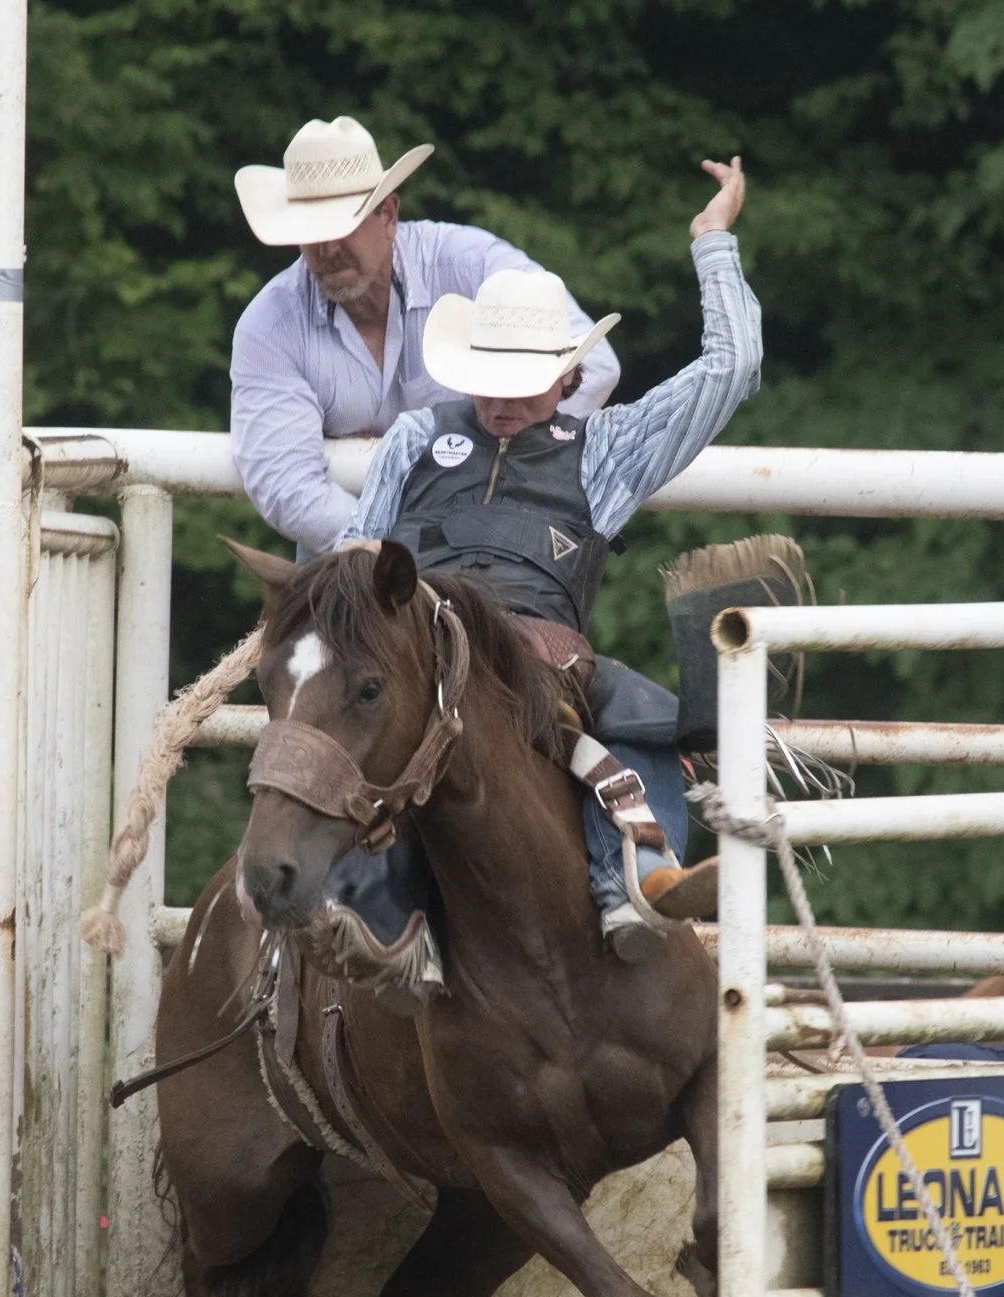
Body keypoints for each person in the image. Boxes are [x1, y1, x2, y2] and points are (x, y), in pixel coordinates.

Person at [328, 157, 757, 989]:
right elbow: (356, 556)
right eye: (487, 381)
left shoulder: (604, 448)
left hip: (539, 659)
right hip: (414, 653)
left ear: (568, 376)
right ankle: (364, 903)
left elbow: (730, 369)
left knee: (637, 710)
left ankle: (636, 877)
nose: (500, 402)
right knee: (337, 722)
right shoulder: (418, 437)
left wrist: (712, 241)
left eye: (521, 383)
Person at [229, 116, 621, 561]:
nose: (327, 248)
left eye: (342, 227)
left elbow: (592, 362)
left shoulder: (471, 265)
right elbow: (284, 483)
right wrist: (405, 554)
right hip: (357, 574)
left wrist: (502, 454)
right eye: (309, 232)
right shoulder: (269, 325)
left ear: (389, 215)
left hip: (493, 546)